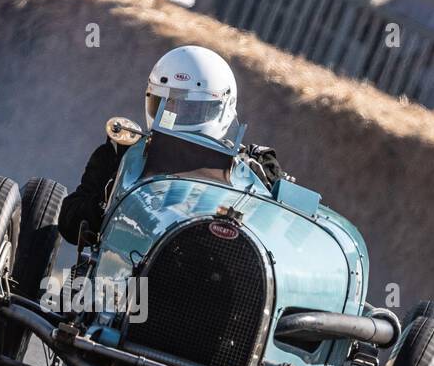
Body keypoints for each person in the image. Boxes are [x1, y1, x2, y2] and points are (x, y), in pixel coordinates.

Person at [57, 46, 286, 245]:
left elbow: (286, 236)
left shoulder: (256, 168)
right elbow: (70, 222)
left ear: (221, 108)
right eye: (165, 106)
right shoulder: (125, 154)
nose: (173, 115)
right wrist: (106, 204)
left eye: (190, 110)